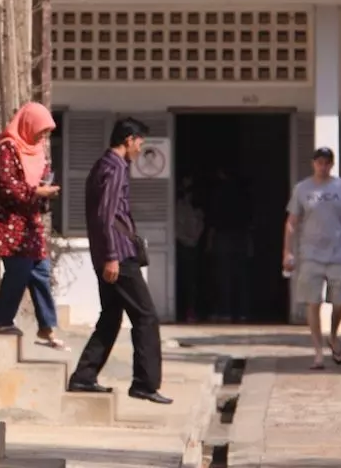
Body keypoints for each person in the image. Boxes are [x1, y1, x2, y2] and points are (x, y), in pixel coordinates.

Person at [68, 117, 172, 405]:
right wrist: (112, 256)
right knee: (146, 316)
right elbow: (106, 215)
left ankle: (84, 377)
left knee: (111, 317)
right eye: (140, 142)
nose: (141, 148)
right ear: (129, 139)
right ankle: (145, 383)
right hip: (119, 256)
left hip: (112, 254)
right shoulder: (113, 168)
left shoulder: (108, 166)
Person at [0, 101, 66, 349]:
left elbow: (41, 175)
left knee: (40, 269)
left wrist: (45, 190)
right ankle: (3, 320)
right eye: (40, 130)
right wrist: (38, 192)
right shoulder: (8, 148)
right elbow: (7, 185)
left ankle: (47, 327)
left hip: (29, 221)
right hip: (9, 221)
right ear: (28, 125)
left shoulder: (37, 150)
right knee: (19, 270)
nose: (42, 136)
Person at [283, 147, 341, 370]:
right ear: (313, 163)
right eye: (319, 162)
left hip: (337, 253)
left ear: (332, 164)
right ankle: (318, 352)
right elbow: (291, 222)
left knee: (339, 303)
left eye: (327, 162)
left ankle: (334, 336)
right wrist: (287, 251)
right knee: (313, 302)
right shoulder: (302, 189)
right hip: (310, 254)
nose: (323, 166)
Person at [205, 167, 254, 323]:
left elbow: (212, 220)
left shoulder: (218, 194)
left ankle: (224, 311)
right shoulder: (244, 195)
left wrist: (209, 242)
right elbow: (250, 221)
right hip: (240, 238)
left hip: (223, 238)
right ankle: (242, 312)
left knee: (223, 277)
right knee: (241, 277)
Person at [175, 177, 204, 323]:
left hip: (193, 247)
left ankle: (191, 310)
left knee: (192, 281)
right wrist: (185, 240)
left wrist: (193, 240)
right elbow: (175, 229)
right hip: (182, 246)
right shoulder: (178, 207)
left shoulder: (197, 208)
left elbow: (200, 226)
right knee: (183, 280)